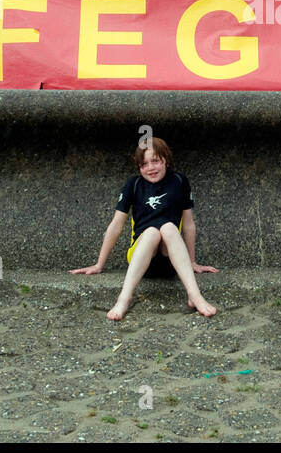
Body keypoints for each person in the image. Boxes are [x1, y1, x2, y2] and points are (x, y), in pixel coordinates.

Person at [71, 137, 218, 320]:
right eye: (144, 164)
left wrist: (192, 261)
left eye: (155, 161)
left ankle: (194, 295)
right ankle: (124, 298)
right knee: (152, 232)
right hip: (140, 259)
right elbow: (116, 225)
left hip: (171, 261)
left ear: (166, 159)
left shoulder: (179, 181)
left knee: (169, 228)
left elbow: (188, 224)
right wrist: (99, 264)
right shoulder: (134, 184)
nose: (150, 168)